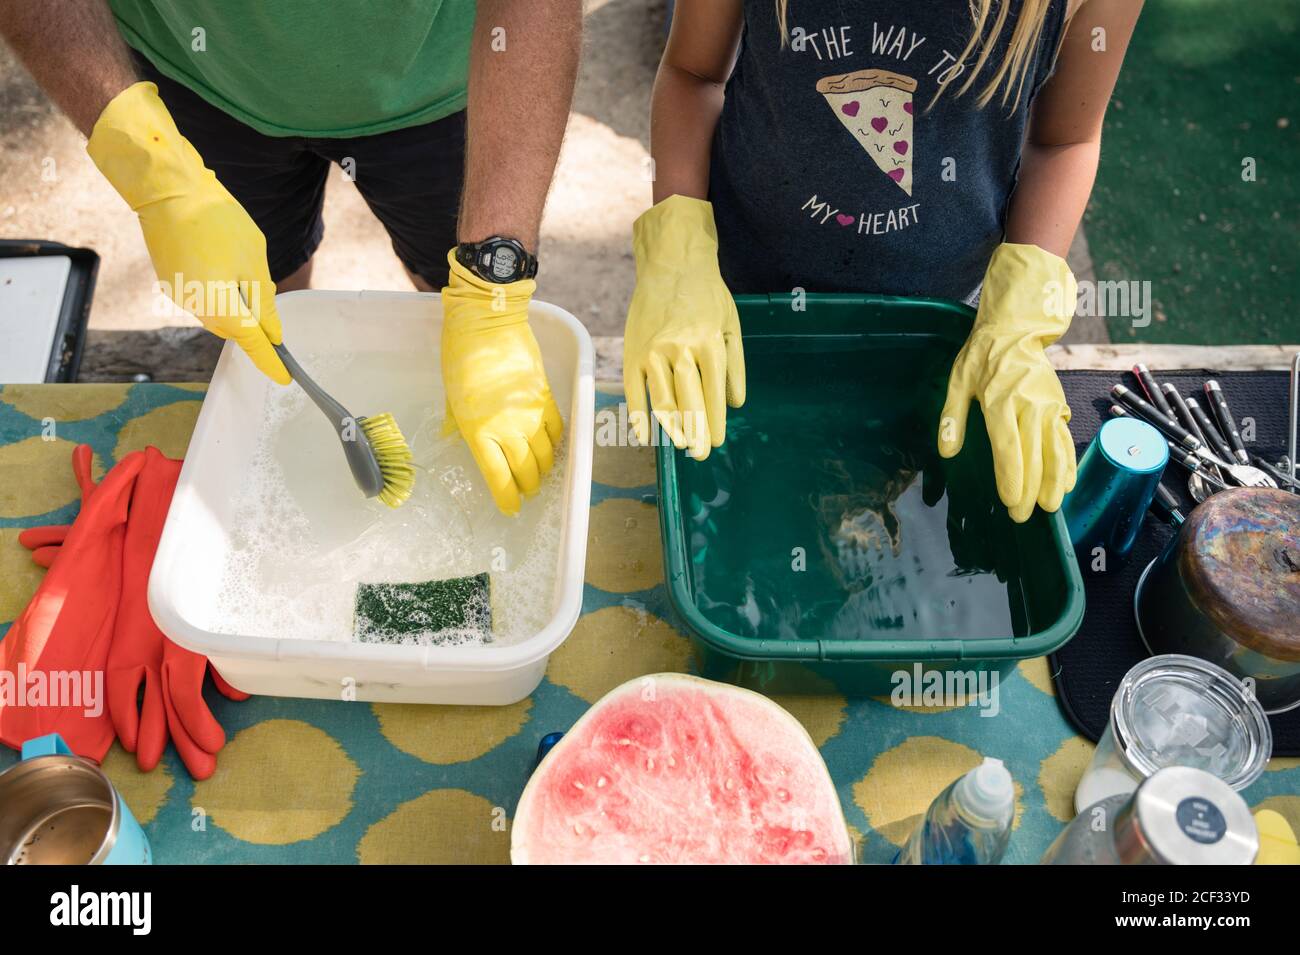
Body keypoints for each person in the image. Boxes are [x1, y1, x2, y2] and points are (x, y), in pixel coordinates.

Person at [0, 0, 582, 514]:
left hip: (447, 84)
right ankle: (281, 427)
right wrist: (156, 175)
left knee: (449, 294)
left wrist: (489, 293)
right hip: (200, 79)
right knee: (264, 305)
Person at [623, 0, 1142, 522]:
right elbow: (691, 74)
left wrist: (1020, 316)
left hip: (934, 330)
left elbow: (1065, 140)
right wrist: (678, 252)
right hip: (733, 307)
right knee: (734, 498)